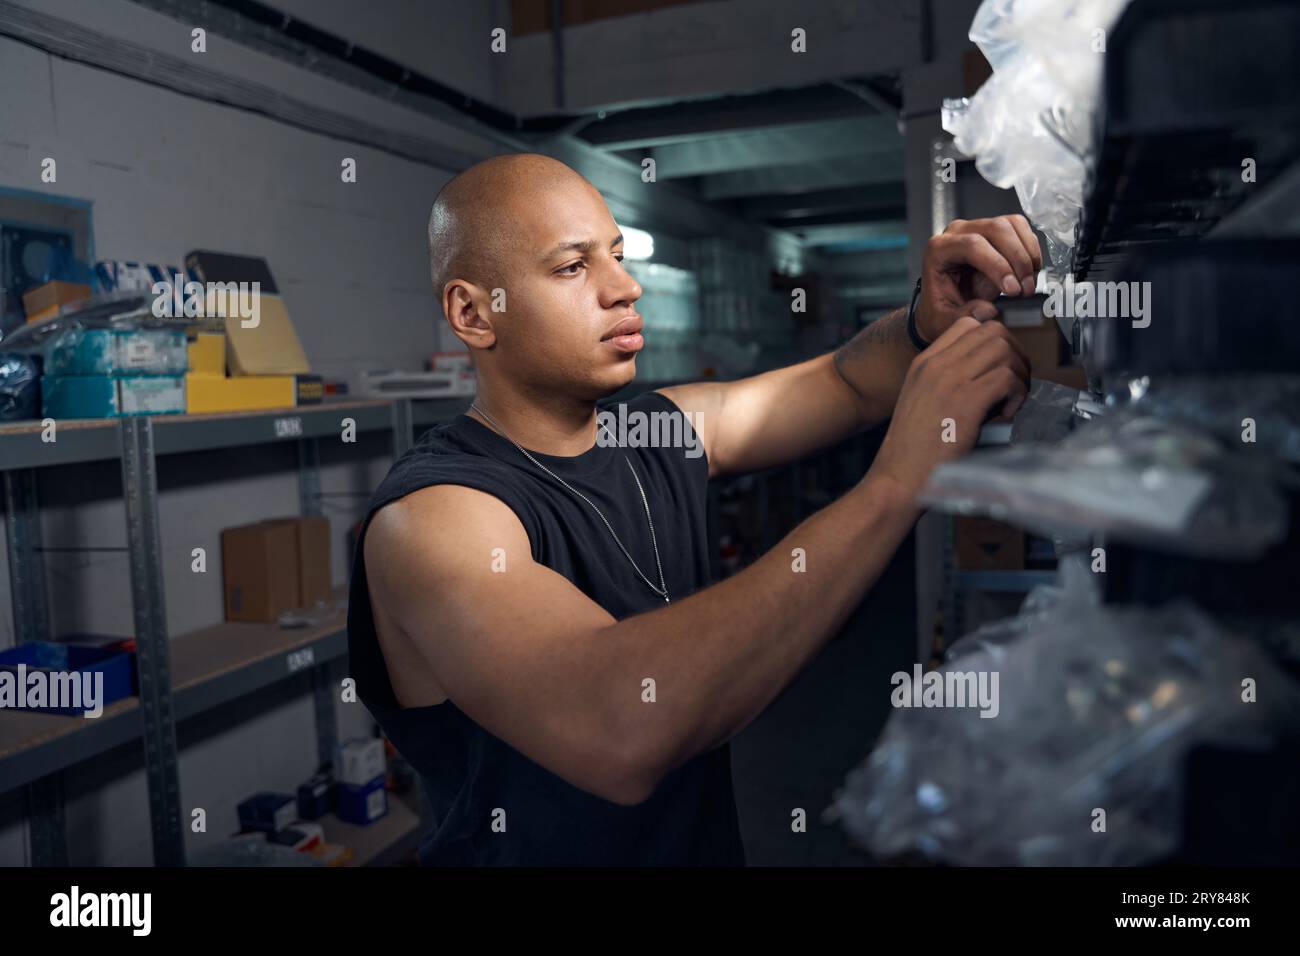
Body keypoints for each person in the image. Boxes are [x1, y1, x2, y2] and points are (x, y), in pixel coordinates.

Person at [346, 153, 1039, 865]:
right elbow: (620, 724)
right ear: (472, 312)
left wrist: (927, 317)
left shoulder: (657, 433)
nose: (625, 287)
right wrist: (895, 483)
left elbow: (848, 382)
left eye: (616, 255)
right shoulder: (435, 515)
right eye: (572, 267)